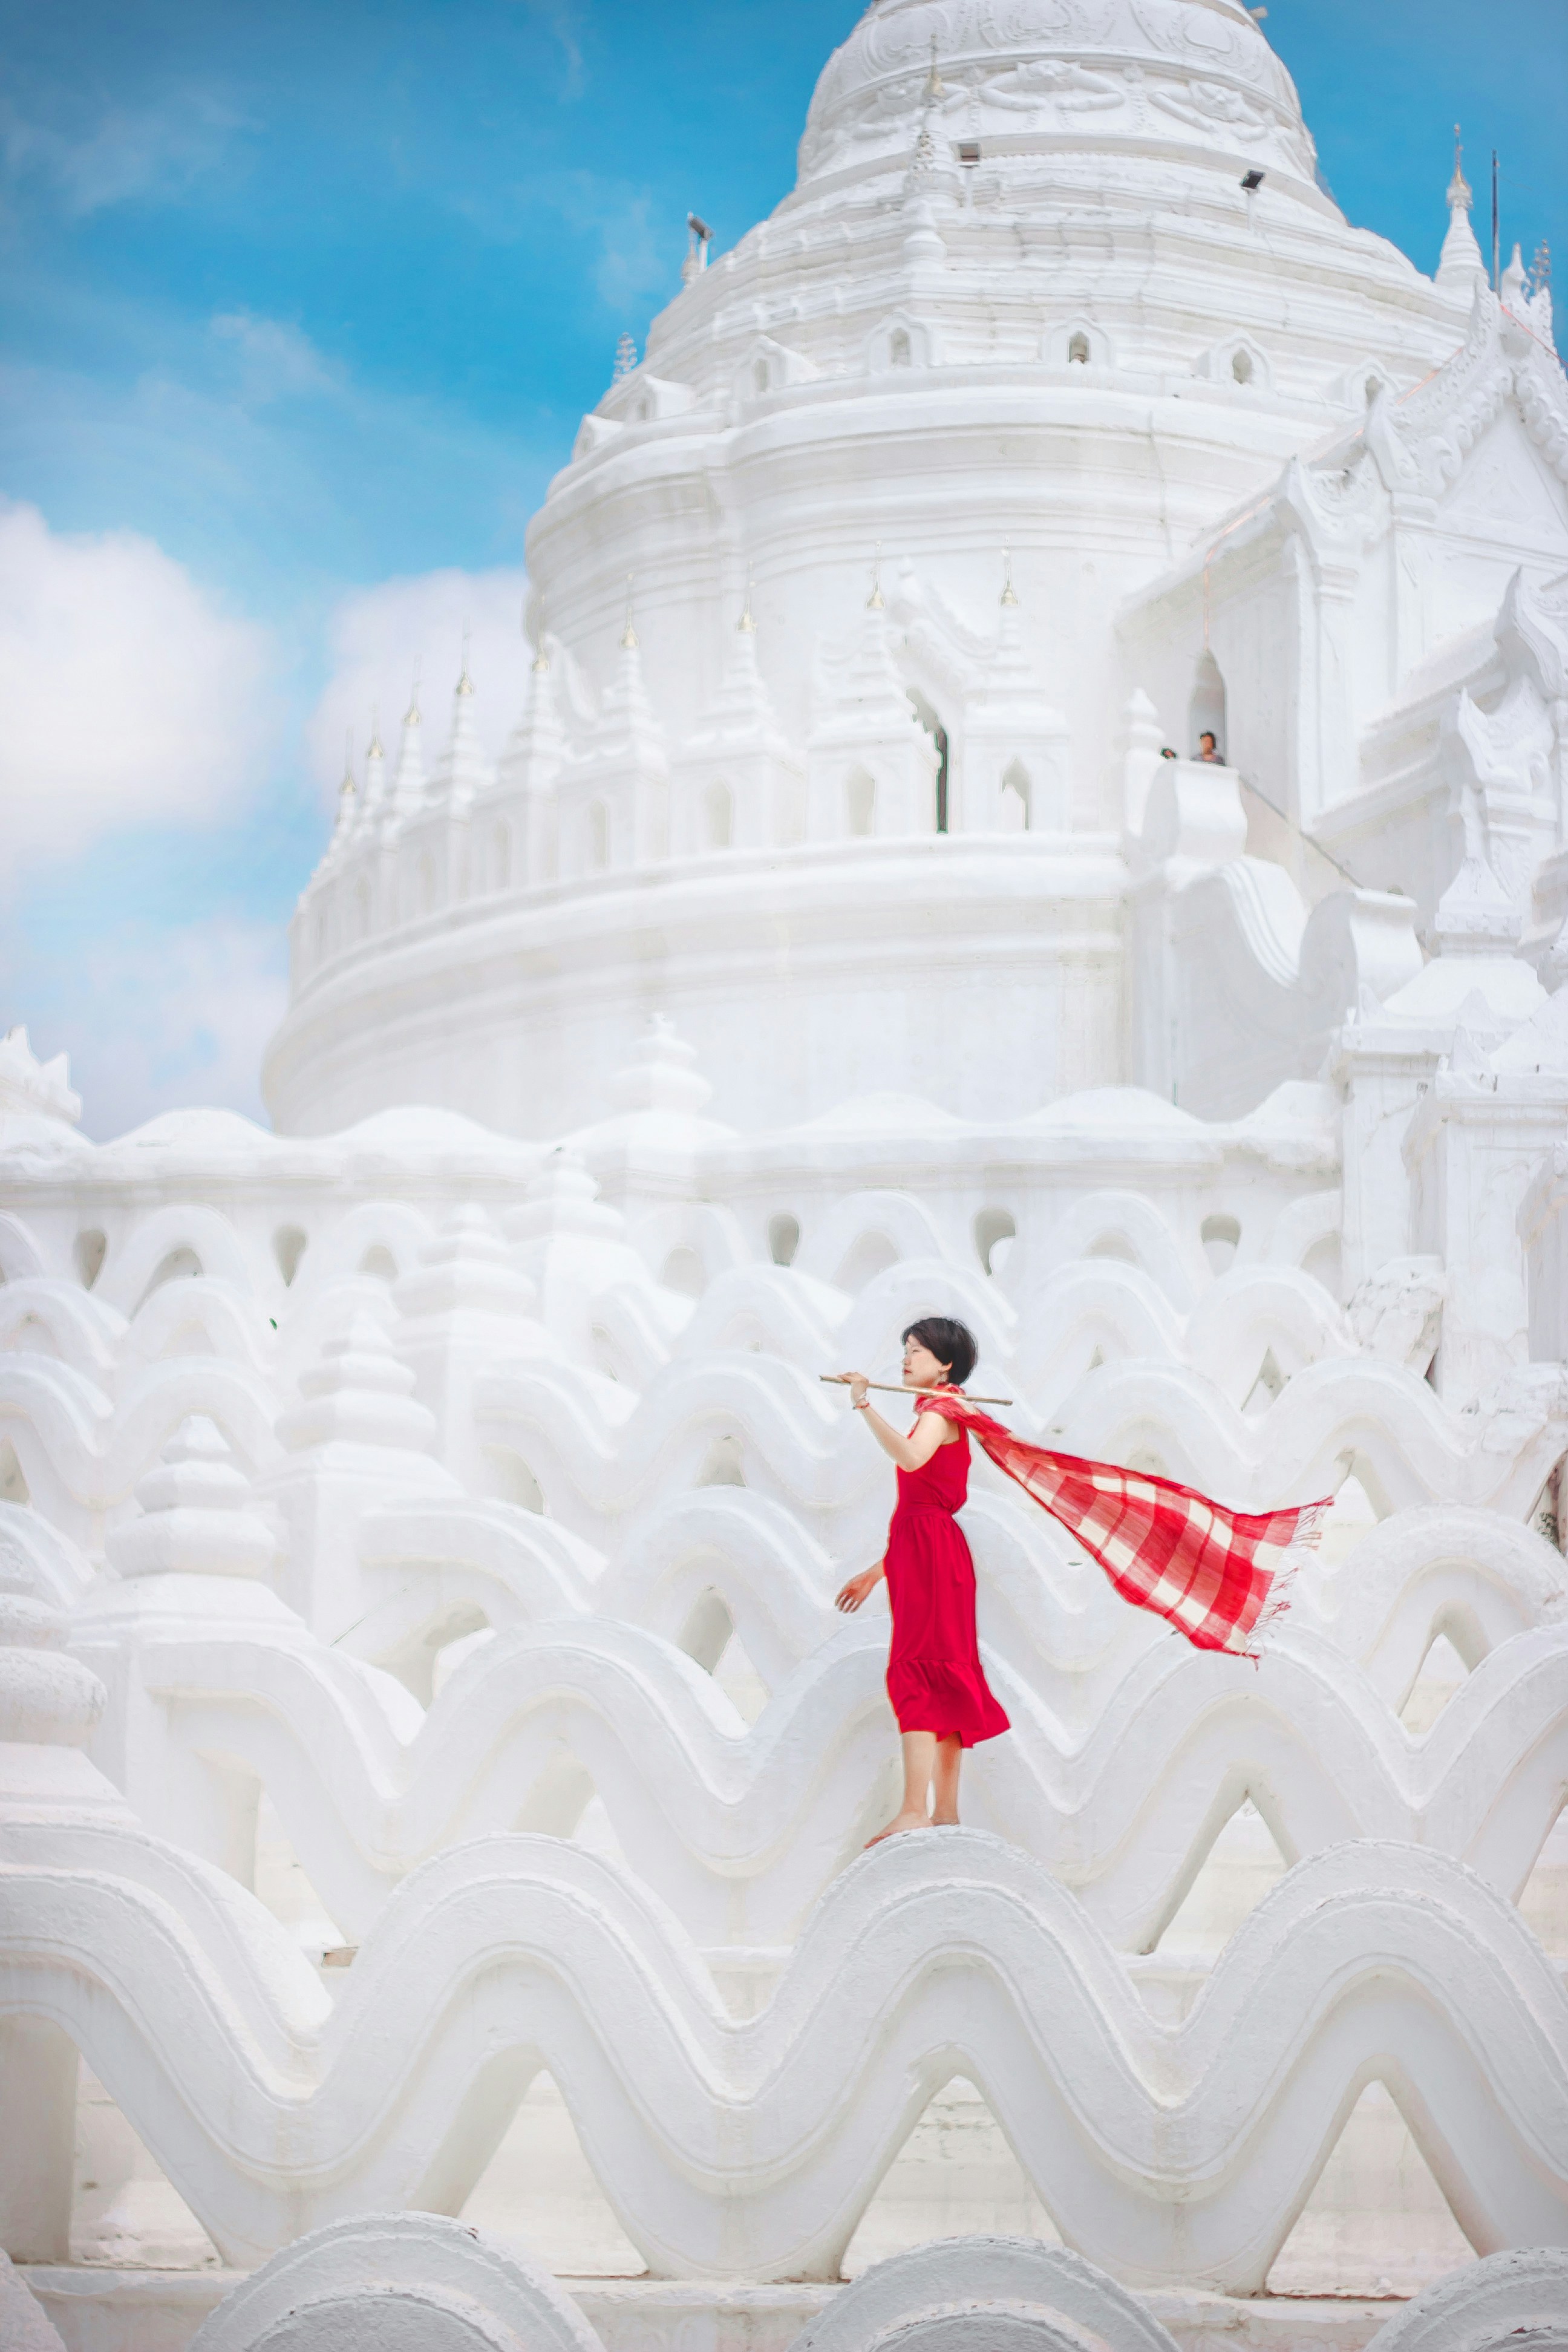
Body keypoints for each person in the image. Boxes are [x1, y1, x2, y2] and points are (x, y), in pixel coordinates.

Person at [833, 1316, 1009, 1843]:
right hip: (929, 1551)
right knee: (944, 1670)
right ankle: (945, 1812)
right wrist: (875, 1572)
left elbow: (911, 1460)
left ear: (945, 1364)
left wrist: (863, 1405)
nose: (906, 1360)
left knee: (916, 1670)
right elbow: (921, 1507)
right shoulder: (945, 1409)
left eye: (916, 1351)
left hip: (931, 1551)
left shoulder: (939, 1410)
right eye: (905, 1351)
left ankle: (914, 1808)